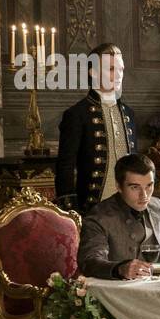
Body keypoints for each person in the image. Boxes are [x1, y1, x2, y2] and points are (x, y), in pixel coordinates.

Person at [55, 44, 136, 214]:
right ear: (93, 72)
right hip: (93, 208)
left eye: (121, 69)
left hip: (129, 207)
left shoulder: (128, 113)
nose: (119, 75)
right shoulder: (77, 114)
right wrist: (71, 210)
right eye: (111, 69)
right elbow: (65, 166)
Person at [78, 154, 160, 280]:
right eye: (135, 187)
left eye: (149, 186)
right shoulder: (99, 217)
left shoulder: (157, 206)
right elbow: (89, 262)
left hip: (155, 287)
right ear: (118, 186)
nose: (144, 195)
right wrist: (120, 269)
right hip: (116, 292)